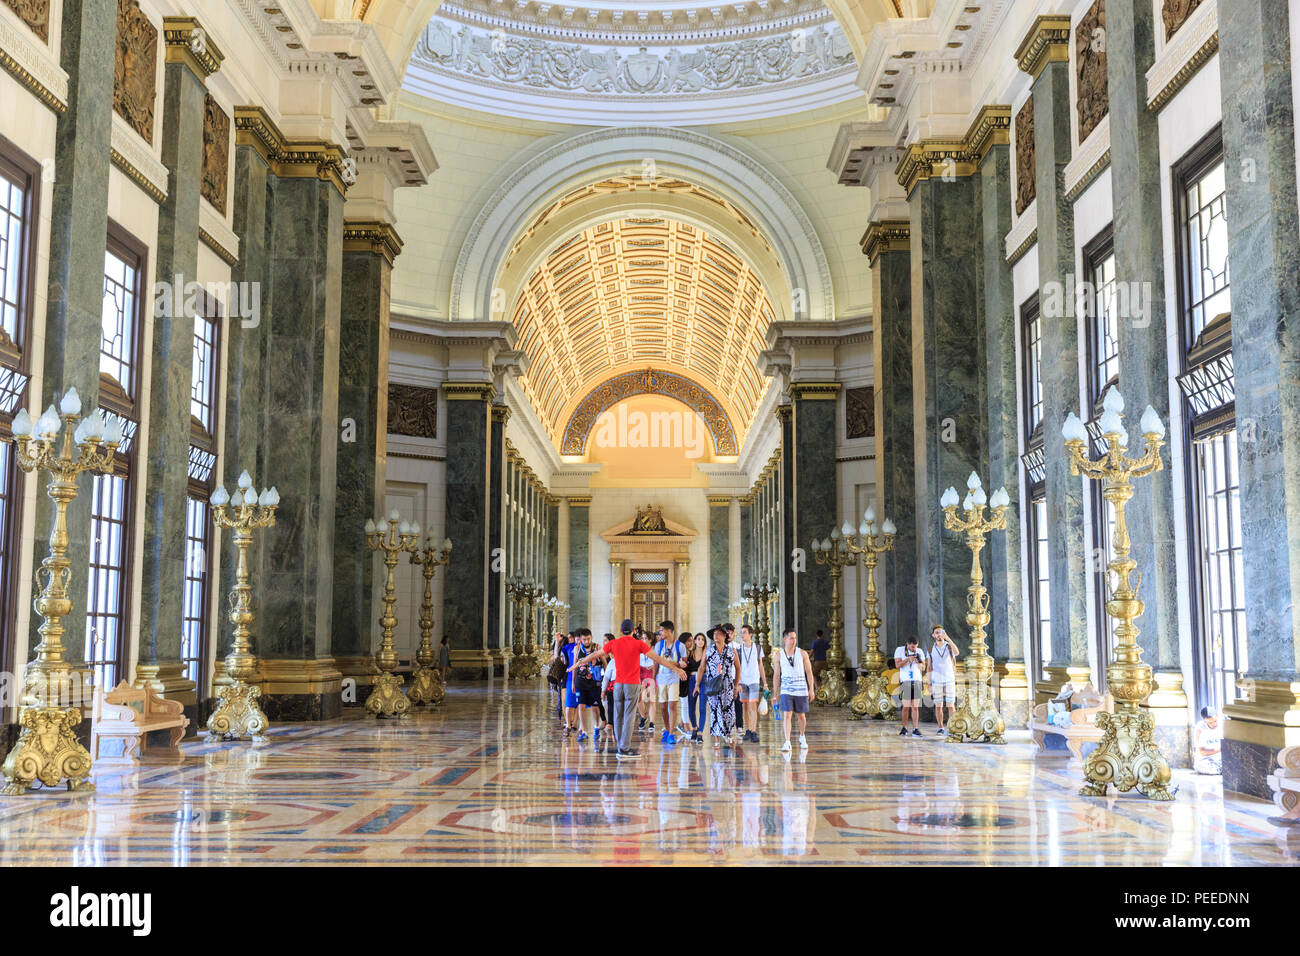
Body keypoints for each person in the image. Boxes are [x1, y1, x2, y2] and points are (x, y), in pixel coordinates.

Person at [570, 619, 685, 759]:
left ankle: (620, 747)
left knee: (618, 716)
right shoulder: (639, 644)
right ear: (634, 631)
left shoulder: (613, 643)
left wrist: (578, 663)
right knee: (629, 717)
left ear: (620, 631)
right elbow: (659, 659)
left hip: (617, 685)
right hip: (632, 685)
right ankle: (624, 749)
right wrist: (676, 669)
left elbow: (595, 654)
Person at [695, 626, 742, 750]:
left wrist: (736, 685)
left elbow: (738, 668)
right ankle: (716, 739)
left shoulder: (732, 650)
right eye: (714, 634)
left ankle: (729, 735)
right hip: (713, 686)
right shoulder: (708, 650)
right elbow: (701, 668)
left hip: (728, 686)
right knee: (715, 711)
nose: (716, 636)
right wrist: (697, 684)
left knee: (729, 711)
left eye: (719, 634)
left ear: (724, 636)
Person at [772, 627, 815, 752]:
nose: (793, 640)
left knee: (801, 716)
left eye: (795, 638)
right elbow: (776, 675)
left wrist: (811, 689)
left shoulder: (802, 653)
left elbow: (809, 672)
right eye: (791, 638)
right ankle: (787, 741)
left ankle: (802, 736)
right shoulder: (779, 655)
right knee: (787, 715)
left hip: (800, 689)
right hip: (786, 689)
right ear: (785, 639)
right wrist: (775, 693)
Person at [652, 620, 688, 745]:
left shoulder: (680, 646)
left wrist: (677, 664)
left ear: (668, 631)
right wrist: (653, 679)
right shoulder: (658, 646)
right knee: (662, 707)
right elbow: (656, 663)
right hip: (661, 679)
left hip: (673, 679)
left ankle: (671, 733)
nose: (660, 633)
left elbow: (684, 664)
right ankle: (667, 729)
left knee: (672, 706)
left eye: (661, 630)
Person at [735, 625, 768, 743]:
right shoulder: (739, 649)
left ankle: (754, 731)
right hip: (743, 681)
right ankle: (748, 729)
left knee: (753, 706)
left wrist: (765, 683)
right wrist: (737, 682)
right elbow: (737, 667)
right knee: (745, 707)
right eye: (741, 632)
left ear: (750, 634)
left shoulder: (757, 648)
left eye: (744, 632)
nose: (742, 635)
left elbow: (761, 666)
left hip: (754, 680)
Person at [893, 636, 928, 738]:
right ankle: (904, 728)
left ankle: (915, 729)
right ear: (907, 644)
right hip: (906, 681)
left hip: (917, 681)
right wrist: (908, 659)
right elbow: (898, 665)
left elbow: (923, 667)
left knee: (915, 707)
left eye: (915, 647)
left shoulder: (920, 651)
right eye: (912, 647)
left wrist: (919, 663)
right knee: (906, 707)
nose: (914, 649)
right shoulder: (899, 650)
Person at [572, 630, 603, 742]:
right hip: (580, 682)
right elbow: (575, 666)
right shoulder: (577, 648)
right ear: (580, 639)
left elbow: (604, 662)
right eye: (584, 639)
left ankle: (596, 727)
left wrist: (607, 678)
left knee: (595, 707)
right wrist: (573, 683)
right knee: (581, 706)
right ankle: (584, 731)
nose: (586, 641)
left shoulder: (597, 647)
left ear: (591, 637)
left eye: (588, 639)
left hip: (594, 682)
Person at [928, 625, 959, 735]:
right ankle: (941, 727)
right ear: (933, 635)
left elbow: (957, 652)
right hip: (936, 680)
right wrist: (929, 682)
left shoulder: (949, 646)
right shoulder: (931, 649)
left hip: (949, 678)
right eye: (936, 633)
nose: (939, 634)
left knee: (951, 705)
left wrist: (948, 639)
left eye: (940, 632)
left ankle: (952, 727)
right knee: (938, 705)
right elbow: (929, 667)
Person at [685, 633, 706, 743]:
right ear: (695, 641)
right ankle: (694, 727)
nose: (700, 641)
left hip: (703, 681)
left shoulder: (706, 654)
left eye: (702, 639)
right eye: (698, 639)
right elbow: (686, 668)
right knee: (691, 707)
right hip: (692, 680)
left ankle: (700, 733)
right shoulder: (690, 653)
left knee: (702, 708)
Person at [1194, 706, 1222, 775]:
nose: (1214, 724)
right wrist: (1220, 750)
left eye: (1215, 721)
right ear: (1204, 720)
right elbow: (1202, 752)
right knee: (1213, 769)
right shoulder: (1200, 728)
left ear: (1217, 716)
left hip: (1219, 759)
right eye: (1210, 723)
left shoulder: (1222, 724)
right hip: (1205, 760)